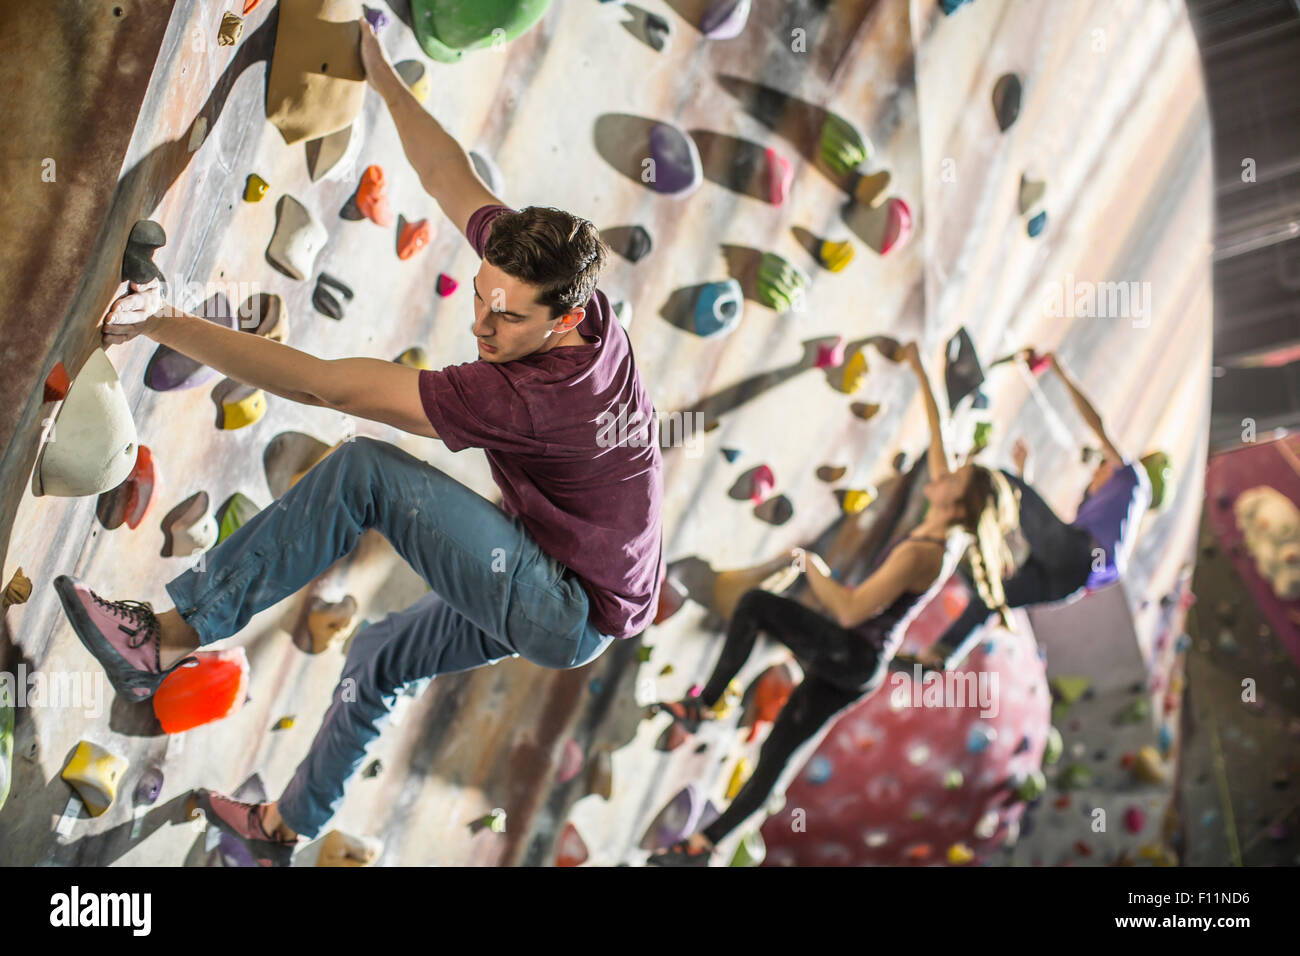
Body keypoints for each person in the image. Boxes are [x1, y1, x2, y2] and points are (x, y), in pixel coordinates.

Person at [54, 20, 663, 867]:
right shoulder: (571, 297)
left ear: (563, 319)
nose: (480, 323)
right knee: (378, 656)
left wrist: (162, 319)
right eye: (482, 294)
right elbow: (453, 174)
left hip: (561, 602)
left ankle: (165, 636)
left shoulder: (528, 396)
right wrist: (379, 72)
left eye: (507, 316)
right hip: (569, 575)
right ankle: (280, 836)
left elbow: (326, 387)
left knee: (366, 475)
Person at [645, 341, 1019, 866]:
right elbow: (942, 440)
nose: (943, 473)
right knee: (775, 757)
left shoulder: (925, 553)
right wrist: (921, 367)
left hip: (850, 651)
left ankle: (705, 705)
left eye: (953, 478)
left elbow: (847, 611)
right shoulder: (945, 524)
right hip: (860, 666)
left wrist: (812, 566)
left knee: (755, 605)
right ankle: (703, 848)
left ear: (957, 502)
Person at [916, 349, 1172, 671]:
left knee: (999, 484)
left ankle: (941, 490)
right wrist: (1026, 474)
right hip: (1067, 585)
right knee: (994, 595)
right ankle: (938, 658)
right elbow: (1042, 538)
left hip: (1072, 558)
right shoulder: (1109, 526)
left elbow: (1099, 425)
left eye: (1102, 465)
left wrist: (1063, 373)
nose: (1096, 471)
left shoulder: (1132, 478)